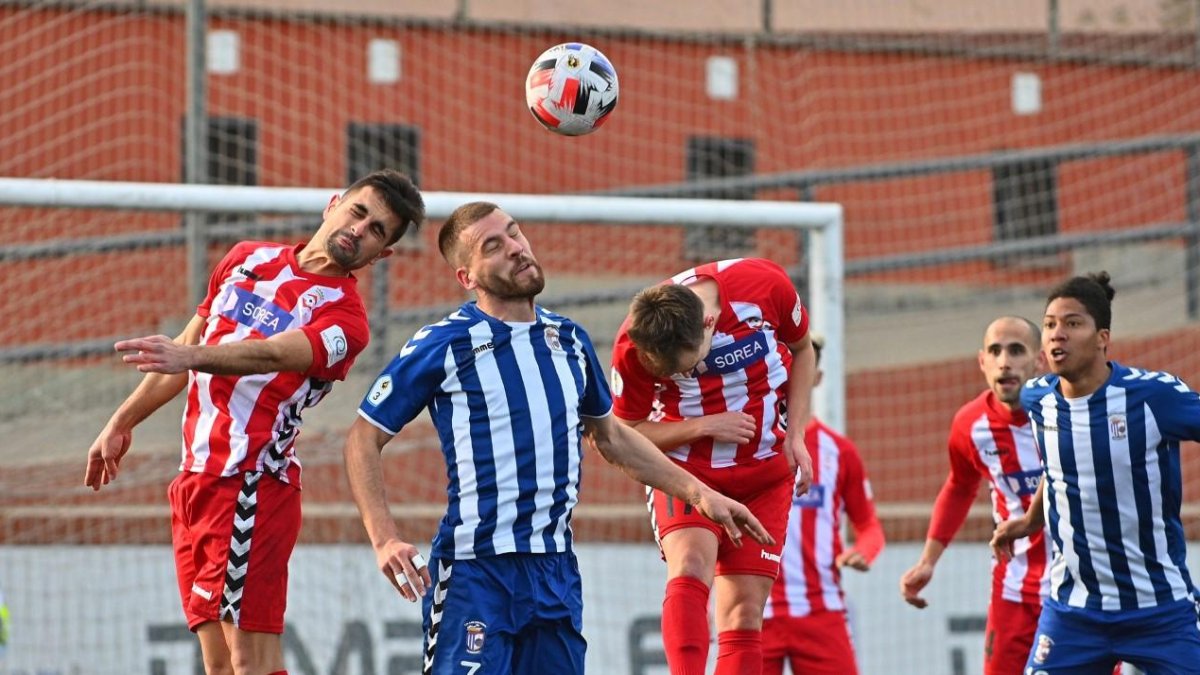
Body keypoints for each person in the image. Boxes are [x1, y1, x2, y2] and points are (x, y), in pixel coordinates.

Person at [342, 201, 773, 675]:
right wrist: (384, 538)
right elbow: (363, 437)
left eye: (514, 233)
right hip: (475, 570)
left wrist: (700, 494)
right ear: (468, 277)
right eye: (494, 246)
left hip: (554, 574)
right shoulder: (444, 344)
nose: (516, 249)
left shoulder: (569, 339)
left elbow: (612, 437)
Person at [83, 169, 426, 675]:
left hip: (252, 489)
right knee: (218, 664)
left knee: (252, 663)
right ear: (334, 203)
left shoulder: (345, 323)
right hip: (194, 484)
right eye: (359, 212)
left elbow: (267, 356)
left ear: (383, 255)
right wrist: (121, 421)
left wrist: (191, 356)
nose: (361, 228)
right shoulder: (245, 258)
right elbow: (180, 355)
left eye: (378, 230)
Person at [609, 257, 817, 675]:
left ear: (707, 324)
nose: (678, 375)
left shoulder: (764, 286)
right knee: (690, 564)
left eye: (685, 367)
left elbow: (802, 349)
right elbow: (625, 432)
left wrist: (796, 435)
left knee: (743, 613)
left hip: (766, 475)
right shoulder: (634, 345)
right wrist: (702, 425)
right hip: (688, 473)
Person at [992, 272, 1200, 674]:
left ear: (1102, 337)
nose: (1057, 334)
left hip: (1159, 610)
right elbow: (1057, 469)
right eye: (1050, 324)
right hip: (1073, 613)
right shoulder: (1038, 399)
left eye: (1073, 323)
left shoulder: (1154, 397)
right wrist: (1030, 521)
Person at [898, 316, 1050, 675]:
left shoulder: (1067, 412)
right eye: (995, 351)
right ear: (982, 362)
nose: (1004, 361)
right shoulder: (971, 425)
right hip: (1013, 588)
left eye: (1016, 350)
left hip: (1079, 588)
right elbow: (959, 486)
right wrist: (928, 560)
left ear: (1040, 360)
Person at [761, 333, 885, 675]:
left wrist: (864, 551)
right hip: (753, 609)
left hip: (821, 610)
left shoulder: (839, 451)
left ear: (816, 377)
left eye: (804, 365)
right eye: (786, 364)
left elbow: (869, 525)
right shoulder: (745, 440)